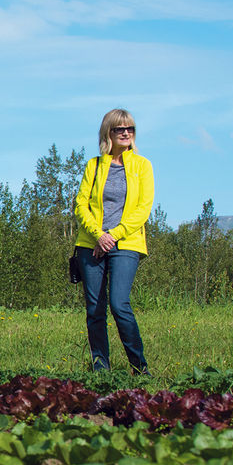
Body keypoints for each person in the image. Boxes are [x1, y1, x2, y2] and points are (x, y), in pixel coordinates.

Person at [73, 109, 154, 374]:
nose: (126, 133)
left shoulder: (142, 165)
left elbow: (143, 209)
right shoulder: (94, 165)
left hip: (126, 243)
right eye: (120, 129)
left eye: (130, 128)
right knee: (95, 309)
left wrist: (113, 236)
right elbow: (80, 204)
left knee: (119, 304)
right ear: (109, 132)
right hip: (91, 244)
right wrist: (98, 235)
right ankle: (100, 369)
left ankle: (139, 367)